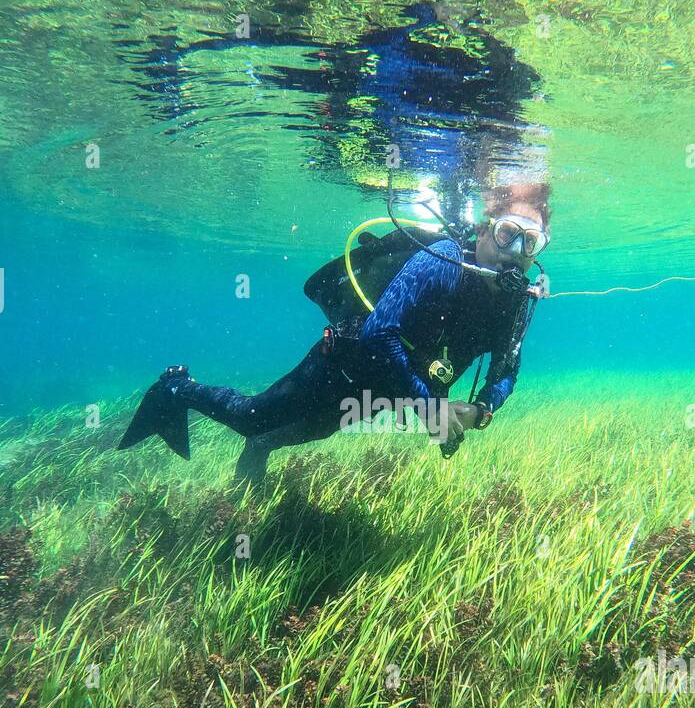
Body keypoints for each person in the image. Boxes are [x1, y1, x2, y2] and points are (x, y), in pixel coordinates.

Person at [118, 183, 551, 486]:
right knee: (252, 415)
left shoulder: (519, 300)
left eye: (529, 242)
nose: (514, 252)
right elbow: (379, 335)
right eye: (507, 233)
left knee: (311, 432)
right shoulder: (443, 259)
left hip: (388, 391)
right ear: (482, 230)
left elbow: (506, 371)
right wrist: (431, 408)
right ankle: (175, 386)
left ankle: (258, 451)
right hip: (342, 365)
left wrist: (481, 410)